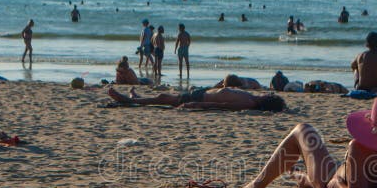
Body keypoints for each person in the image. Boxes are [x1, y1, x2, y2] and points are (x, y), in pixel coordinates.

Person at [238, 95, 377, 188]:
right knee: (310, 174)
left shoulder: (360, 148)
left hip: (331, 180)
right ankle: (295, 174)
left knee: (303, 130)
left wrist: (336, 185)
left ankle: (258, 185)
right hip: (344, 173)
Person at [107, 86, 286, 112]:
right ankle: (137, 98)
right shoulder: (251, 96)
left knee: (164, 98)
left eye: (269, 96)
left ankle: (130, 100)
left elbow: (222, 105)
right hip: (201, 91)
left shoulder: (248, 103)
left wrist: (197, 104)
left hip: (200, 97)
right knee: (165, 96)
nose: (267, 93)